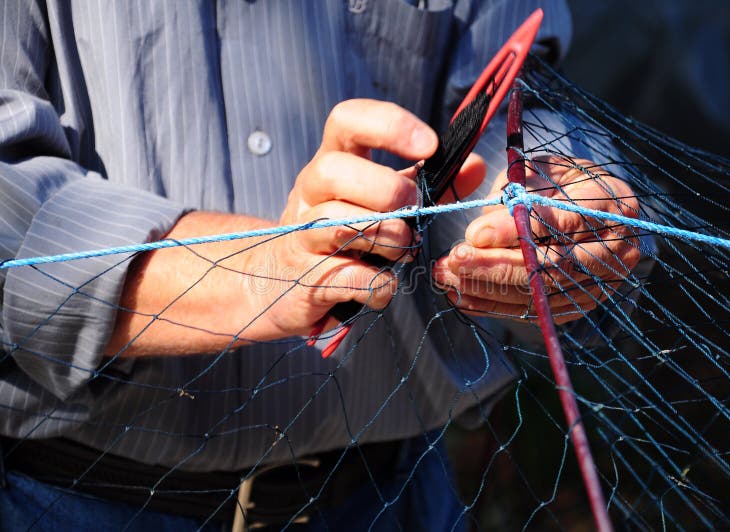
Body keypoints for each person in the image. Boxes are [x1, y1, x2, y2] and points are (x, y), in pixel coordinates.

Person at [0, 1, 639, 530]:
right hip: (69, 501)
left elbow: (518, 101)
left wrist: (549, 201)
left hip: (397, 497)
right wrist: (260, 267)